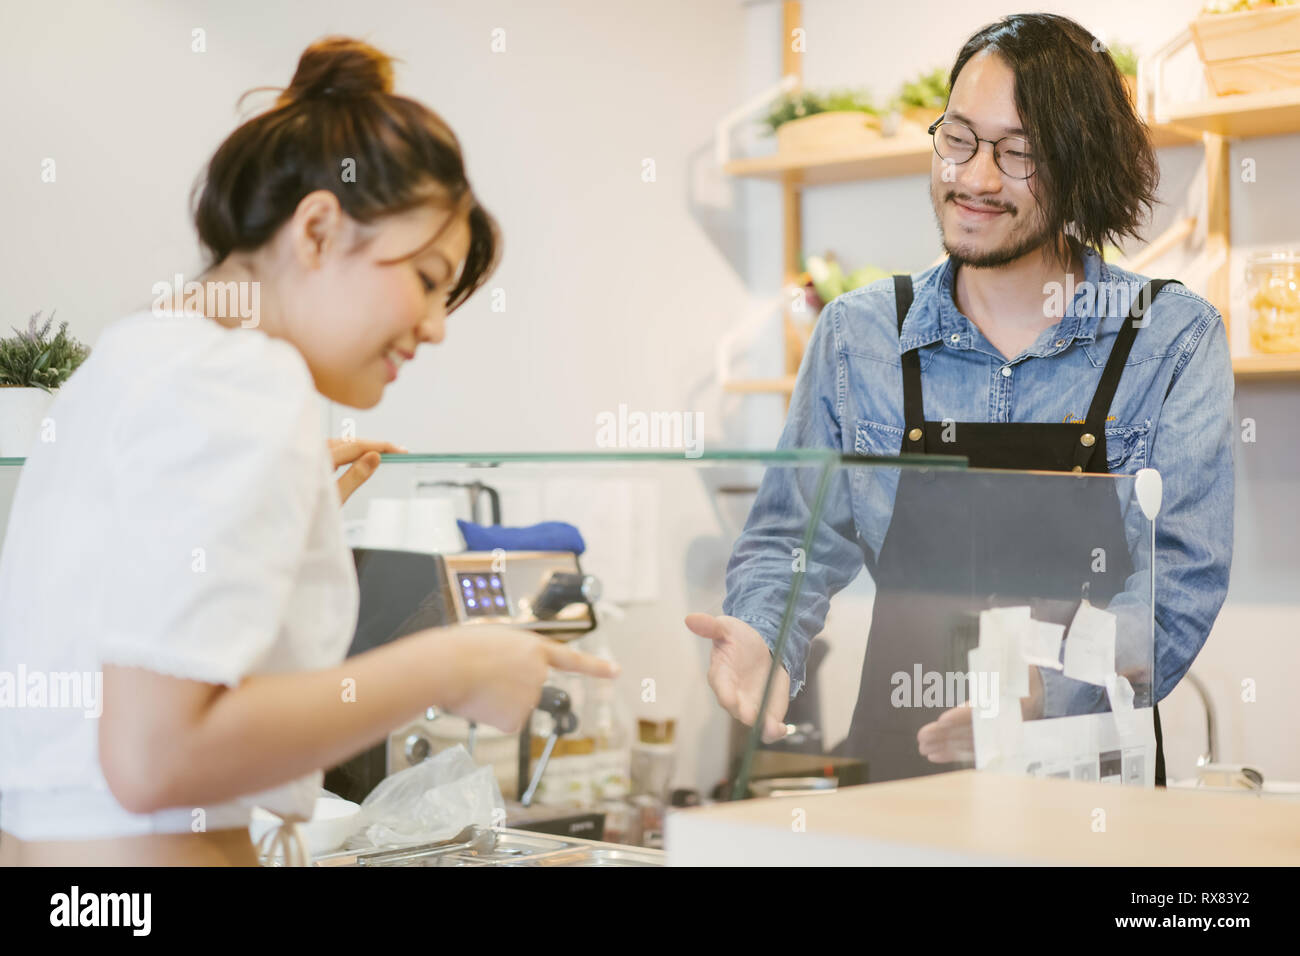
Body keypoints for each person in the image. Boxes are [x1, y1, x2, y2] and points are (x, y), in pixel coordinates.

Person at [0, 36, 616, 866]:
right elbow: (153, 759)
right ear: (319, 229)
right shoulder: (242, 378)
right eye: (429, 278)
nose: (436, 326)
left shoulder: (140, 355)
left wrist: (278, 518)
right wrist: (446, 665)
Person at [689, 14, 1233, 785]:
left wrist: (1045, 695)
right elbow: (790, 540)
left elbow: (1175, 581)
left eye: (1020, 154)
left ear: (1080, 167)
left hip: (1079, 780)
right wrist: (764, 633)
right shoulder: (858, 335)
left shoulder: (1170, 340)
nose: (975, 178)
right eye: (959, 139)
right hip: (897, 776)